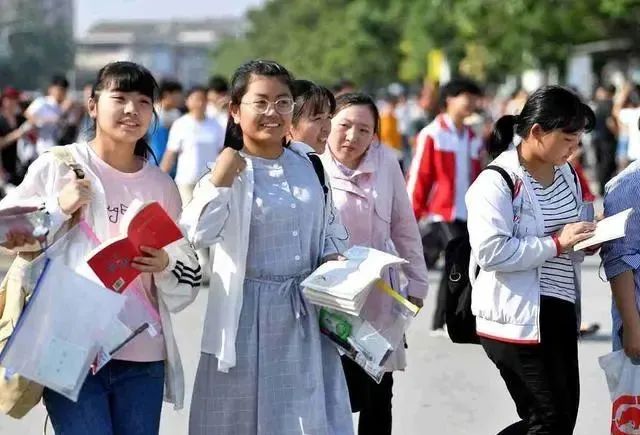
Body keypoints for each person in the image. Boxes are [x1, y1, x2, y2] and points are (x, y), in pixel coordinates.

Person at [0, 61, 201, 434]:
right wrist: (58, 208)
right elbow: (7, 231)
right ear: (92, 105)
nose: (131, 110)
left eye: (143, 102)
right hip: (67, 345)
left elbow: (187, 269)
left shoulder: (161, 186)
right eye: (120, 98)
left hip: (142, 356)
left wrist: (164, 263)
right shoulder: (58, 166)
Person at [181, 59, 353, 435]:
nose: (272, 112)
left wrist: (332, 256)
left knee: (304, 417)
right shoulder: (228, 169)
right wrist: (219, 182)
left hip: (305, 312)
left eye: (282, 102)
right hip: (245, 315)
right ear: (235, 110)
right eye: (260, 102)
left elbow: (329, 228)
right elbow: (195, 234)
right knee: (239, 418)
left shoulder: (309, 163)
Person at [466, 85, 597, 434]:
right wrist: (557, 243)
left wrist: (588, 239)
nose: (574, 148)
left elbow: (570, 229)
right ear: (537, 132)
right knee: (547, 420)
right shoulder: (496, 182)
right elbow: (491, 251)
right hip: (517, 319)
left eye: (578, 139)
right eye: (568, 139)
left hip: (560, 310)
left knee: (561, 419)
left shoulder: (566, 173)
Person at [321, 92, 429, 435]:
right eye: (345, 126)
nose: (353, 137)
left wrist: (417, 283)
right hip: (328, 298)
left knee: (378, 396)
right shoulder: (310, 162)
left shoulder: (386, 162)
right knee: (329, 392)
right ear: (328, 125)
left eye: (364, 130)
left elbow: (404, 226)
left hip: (380, 296)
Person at [407, 78, 483, 334]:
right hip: (442, 212)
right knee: (456, 264)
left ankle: (445, 321)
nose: (471, 103)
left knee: (456, 265)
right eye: (466, 96)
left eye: (474, 97)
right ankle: (444, 321)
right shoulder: (433, 133)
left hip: (467, 212)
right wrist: (409, 215)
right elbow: (420, 176)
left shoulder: (472, 137)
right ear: (449, 99)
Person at [160, 86, 224, 206]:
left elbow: (222, 152)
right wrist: (160, 178)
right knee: (188, 218)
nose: (200, 103)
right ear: (187, 101)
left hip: (210, 182)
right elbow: (170, 154)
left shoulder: (216, 125)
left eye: (203, 100)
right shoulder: (181, 124)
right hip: (187, 181)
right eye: (196, 99)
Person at [24, 74, 69, 156]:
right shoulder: (42, 102)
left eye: (64, 90)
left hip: (54, 143)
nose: (61, 93)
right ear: (51, 89)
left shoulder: (61, 107)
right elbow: (28, 114)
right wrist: (42, 121)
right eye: (59, 89)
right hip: (40, 144)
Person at [287, 79, 335, 154]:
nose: (326, 129)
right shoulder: (275, 164)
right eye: (317, 118)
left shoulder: (313, 162)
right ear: (288, 124)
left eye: (329, 117)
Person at [149, 79, 183, 166]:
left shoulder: (176, 114)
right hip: (152, 159)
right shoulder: (152, 112)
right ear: (167, 94)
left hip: (171, 161)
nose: (180, 98)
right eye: (177, 95)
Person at [0, 87, 30, 186]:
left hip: (21, 167)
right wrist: (16, 135)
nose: (12, 102)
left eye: (15, 99)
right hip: (5, 168)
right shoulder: (1, 120)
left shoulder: (21, 119)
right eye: (9, 99)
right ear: (4, 100)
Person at [591, 85, 618, 195]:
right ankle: (604, 187)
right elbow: (610, 121)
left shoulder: (598, 104)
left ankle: (601, 187)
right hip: (607, 139)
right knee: (607, 163)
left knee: (600, 163)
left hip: (597, 137)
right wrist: (617, 133)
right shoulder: (609, 104)